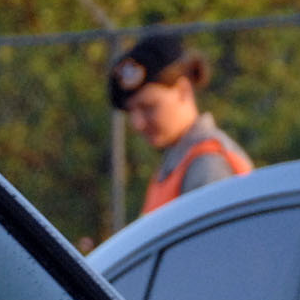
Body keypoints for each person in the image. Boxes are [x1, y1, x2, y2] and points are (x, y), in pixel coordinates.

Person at [108, 32, 253, 216]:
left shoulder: (207, 163)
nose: (137, 123)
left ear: (183, 90)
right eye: (131, 112)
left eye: (148, 107)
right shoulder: (178, 161)